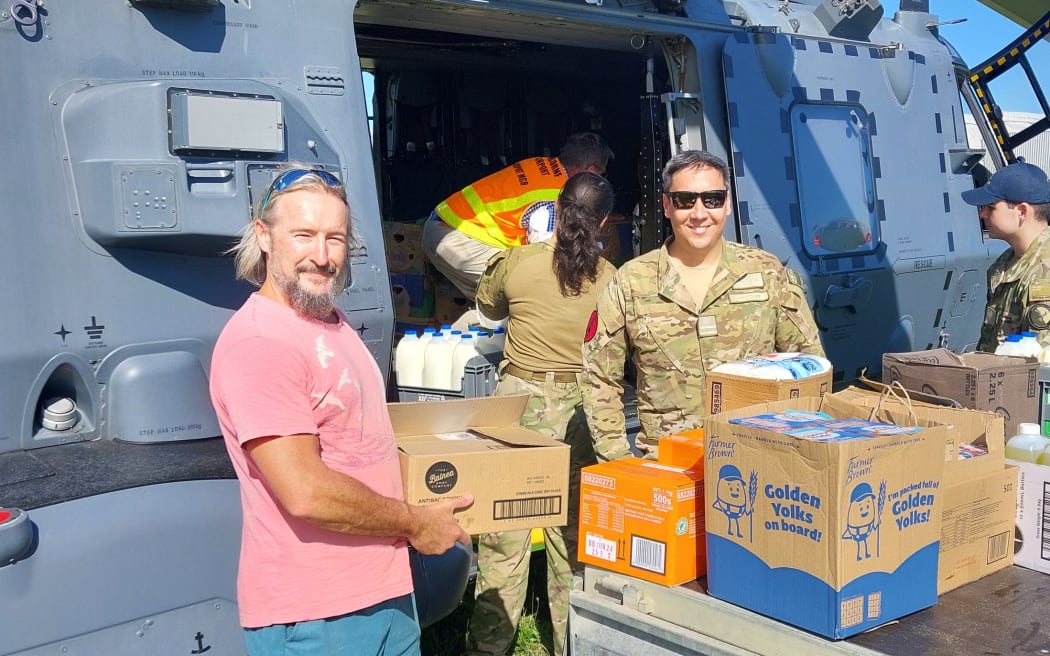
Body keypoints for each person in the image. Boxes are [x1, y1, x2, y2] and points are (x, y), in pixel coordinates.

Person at [210, 165, 472, 656]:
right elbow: (306, 492)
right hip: (317, 618)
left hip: (383, 596)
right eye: (303, 235)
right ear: (264, 237)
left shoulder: (330, 320)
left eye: (335, 239)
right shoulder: (262, 342)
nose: (322, 256)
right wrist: (417, 523)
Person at [582, 150, 825, 460]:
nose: (699, 213)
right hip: (668, 469)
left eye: (711, 199)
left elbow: (809, 366)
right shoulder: (632, 282)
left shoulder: (766, 273)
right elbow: (598, 376)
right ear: (667, 205)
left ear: (726, 205)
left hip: (757, 462)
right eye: (685, 200)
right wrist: (618, 460)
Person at [468, 172, 617, 656]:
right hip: (581, 411)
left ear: (556, 206)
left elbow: (487, 307)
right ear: (605, 220)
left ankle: (490, 646)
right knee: (572, 542)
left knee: (504, 538)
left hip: (521, 407)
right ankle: (573, 645)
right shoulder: (612, 278)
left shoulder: (519, 262)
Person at [422, 132, 614, 301]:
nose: (602, 179)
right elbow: (546, 251)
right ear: (591, 170)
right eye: (602, 174)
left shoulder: (538, 164)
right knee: (527, 289)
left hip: (444, 225)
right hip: (462, 240)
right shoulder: (557, 195)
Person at [960, 161, 1050, 352]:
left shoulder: (1044, 274)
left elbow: (1040, 366)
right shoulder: (1002, 265)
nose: (982, 214)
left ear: (1022, 212)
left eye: (991, 207)